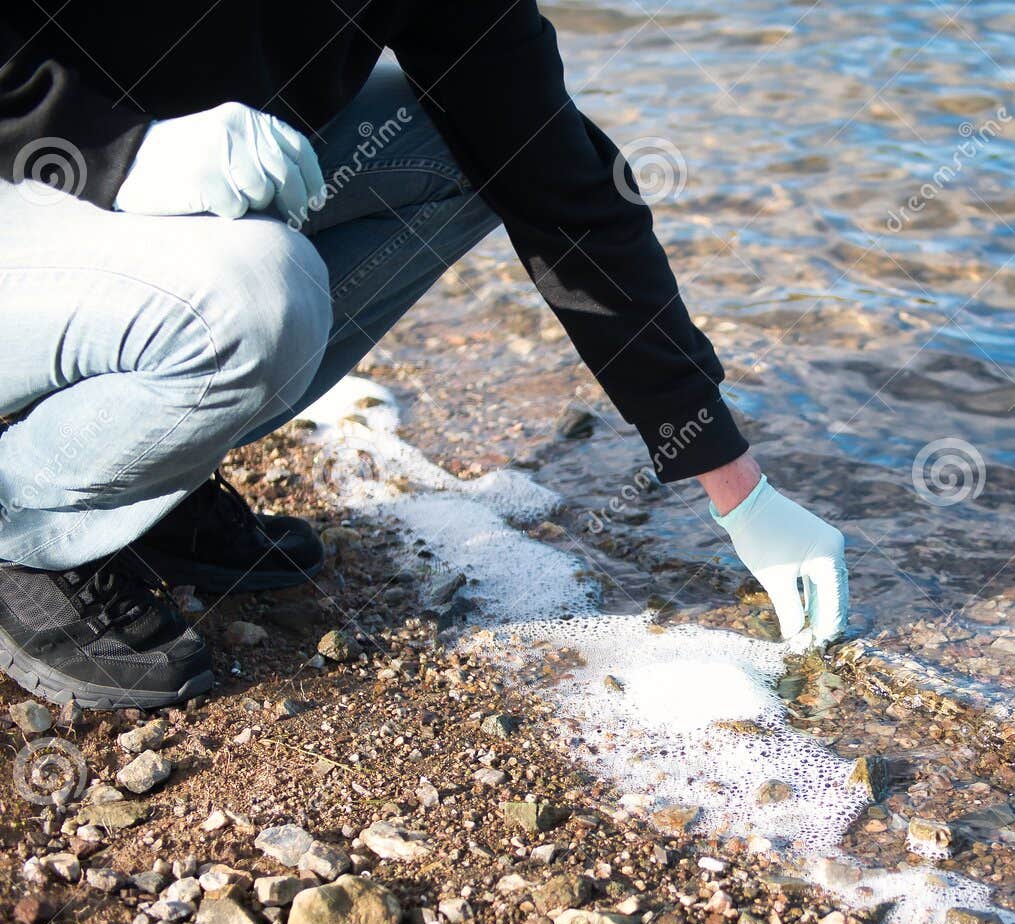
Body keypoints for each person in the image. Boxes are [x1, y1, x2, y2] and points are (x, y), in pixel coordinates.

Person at [0, 1, 848, 711]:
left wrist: (739, 489)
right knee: (259, 297)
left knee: (464, 146)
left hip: (120, 224)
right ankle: (21, 527)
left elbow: (555, 174)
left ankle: (141, 482)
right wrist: (111, 150)